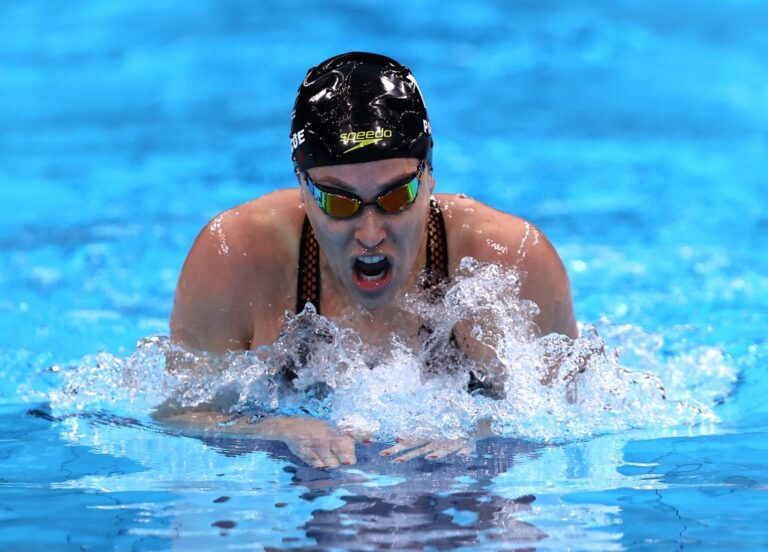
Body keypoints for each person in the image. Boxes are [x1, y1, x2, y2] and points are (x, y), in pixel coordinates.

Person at [164, 52, 577, 469]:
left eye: (396, 196)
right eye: (338, 201)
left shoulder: (510, 260)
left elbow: (571, 417)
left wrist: (476, 431)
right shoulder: (235, 257)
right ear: (303, 190)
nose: (370, 232)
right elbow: (178, 416)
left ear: (429, 177)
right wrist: (279, 428)